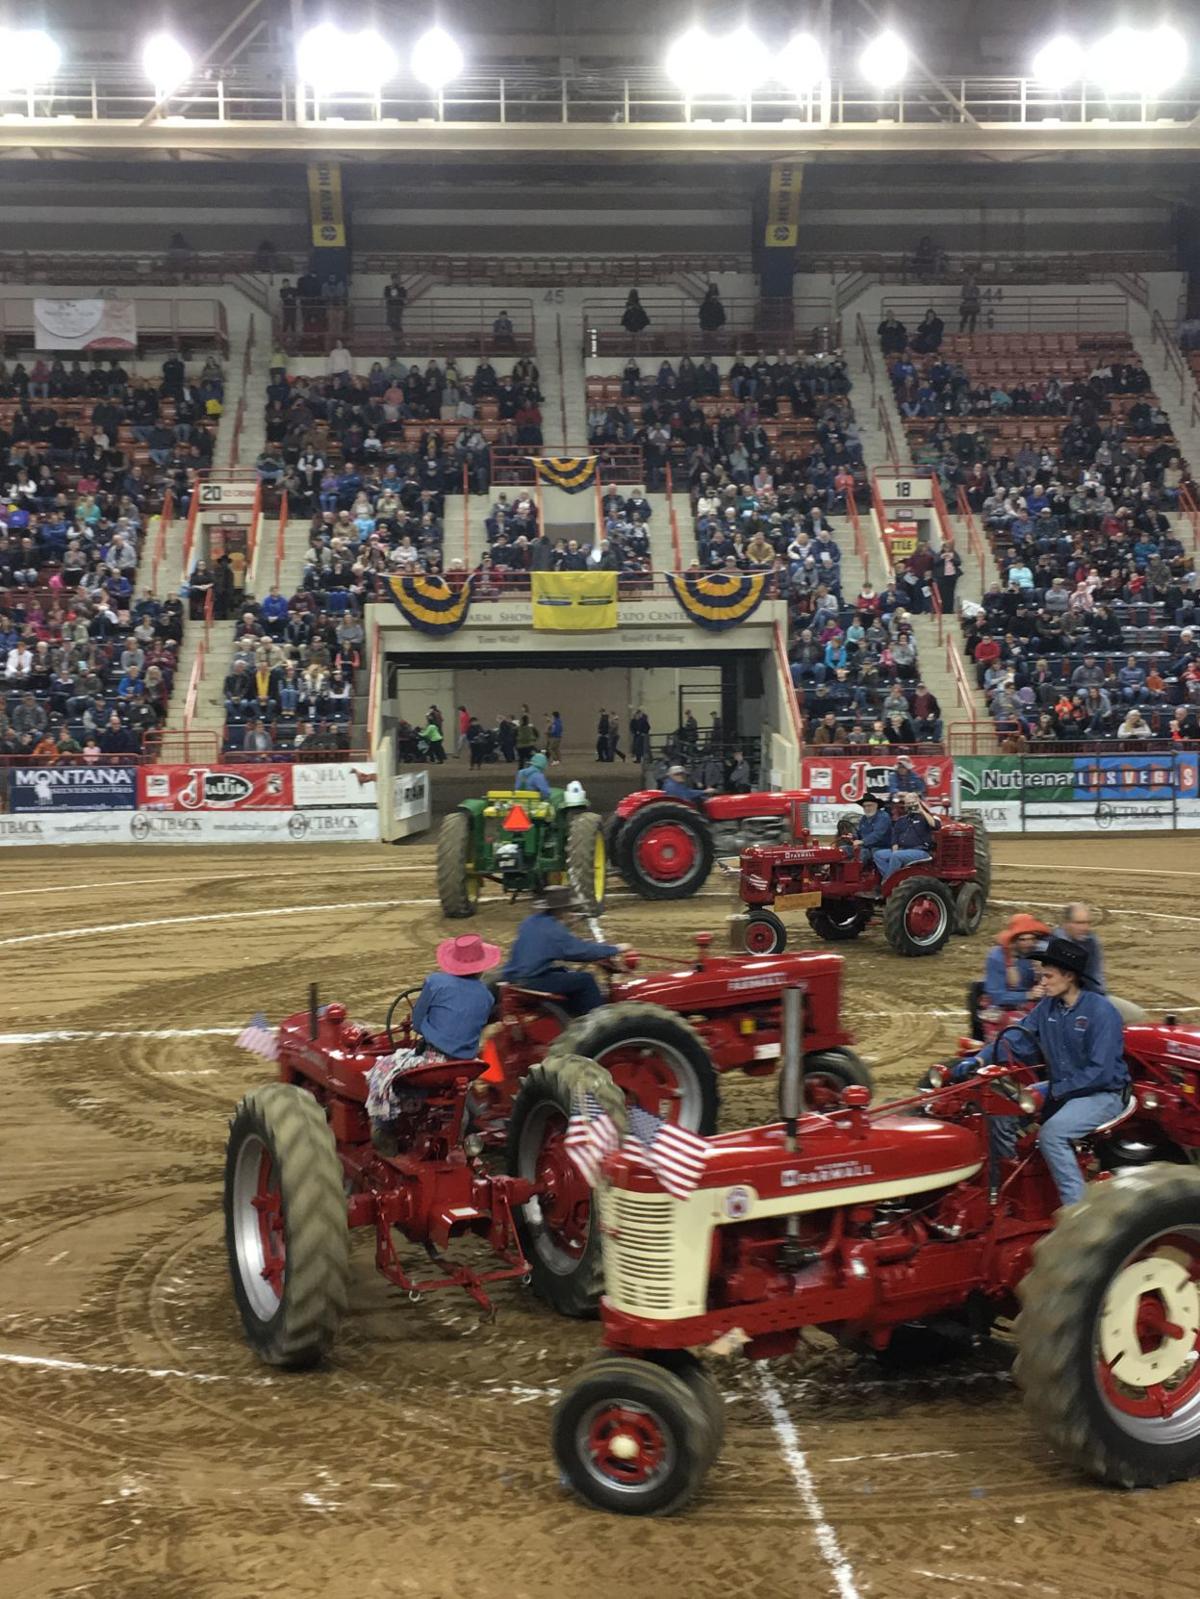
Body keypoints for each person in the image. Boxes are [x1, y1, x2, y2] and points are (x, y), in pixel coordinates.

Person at [973, 936, 1131, 1207]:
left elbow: (1100, 1073)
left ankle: (1077, 1212)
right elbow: (1015, 1039)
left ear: (1069, 976)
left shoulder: (1101, 1012)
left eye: (1047, 976)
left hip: (1103, 1094)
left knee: (1053, 1135)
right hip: (1061, 1086)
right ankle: (1002, 1191)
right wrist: (977, 1061)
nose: (1041, 982)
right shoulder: (1047, 1007)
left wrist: (1056, 1091)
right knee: (997, 1108)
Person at [366, 932, 500, 1147]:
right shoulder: (487, 996)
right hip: (464, 1067)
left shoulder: (435, 982)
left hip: (433, 1064)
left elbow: (418, 1023)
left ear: (454, 962)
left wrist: (432, 1032)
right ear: (482, 967)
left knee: (379, 1070)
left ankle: (384, 1128)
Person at [502, 885, 627, 1016]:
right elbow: (580, 951)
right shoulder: (554, 931)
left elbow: (546, 942)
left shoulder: (531, 921)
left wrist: (565, 925)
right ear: (562, 911)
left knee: (565, 972)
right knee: (585, 980)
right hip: (531, 979)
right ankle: (598, 1022)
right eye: (570, 910)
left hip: (513, 976)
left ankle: (571, 1014)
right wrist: (616, 949)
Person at [1053, 903, 1147, 1024]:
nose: (1084, 928)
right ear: (1066, 923)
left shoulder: (1091, 941)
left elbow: (1095, 976)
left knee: (1135, 1014)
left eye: (1087, 923)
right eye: (1079, 923)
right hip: (1063, 1003)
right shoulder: (1054, 944)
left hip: (1089, 997)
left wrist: (1099, 1000)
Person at [983, 913, 1050, 1008]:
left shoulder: (1043, 952)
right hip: (1005, 1007)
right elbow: (997, 997)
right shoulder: (997, 957)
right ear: (1013, 941)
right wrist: (1029, 995)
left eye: (1032, 939)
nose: (1029, 943)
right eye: (1023, 940)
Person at [874, 792, 940, 882]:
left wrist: (921, 810)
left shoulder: (925, 817)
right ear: (905, 805)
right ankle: (894, 879)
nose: (911, 805)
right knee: (879, 855)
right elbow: (895, 838)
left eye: (913, 803)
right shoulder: (901, 820)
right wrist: (895, 848)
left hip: (920, 851)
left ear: (918, 802)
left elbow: (935, 825)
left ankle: (887, 882)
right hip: (902, 850)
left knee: (896, 856)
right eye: (908, 803)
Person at [855, 792, 893, 866]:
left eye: (869, 805)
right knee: (844, 850)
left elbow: (877, 834)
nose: (866, 808)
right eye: (864, 806)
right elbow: (859, 833)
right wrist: (853, 837)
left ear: (876, 805)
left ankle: (856, 875)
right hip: (866, 847)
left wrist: (862, 841)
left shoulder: (883, 817)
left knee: (862, 854)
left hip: (881, 847)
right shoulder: (864, 818)